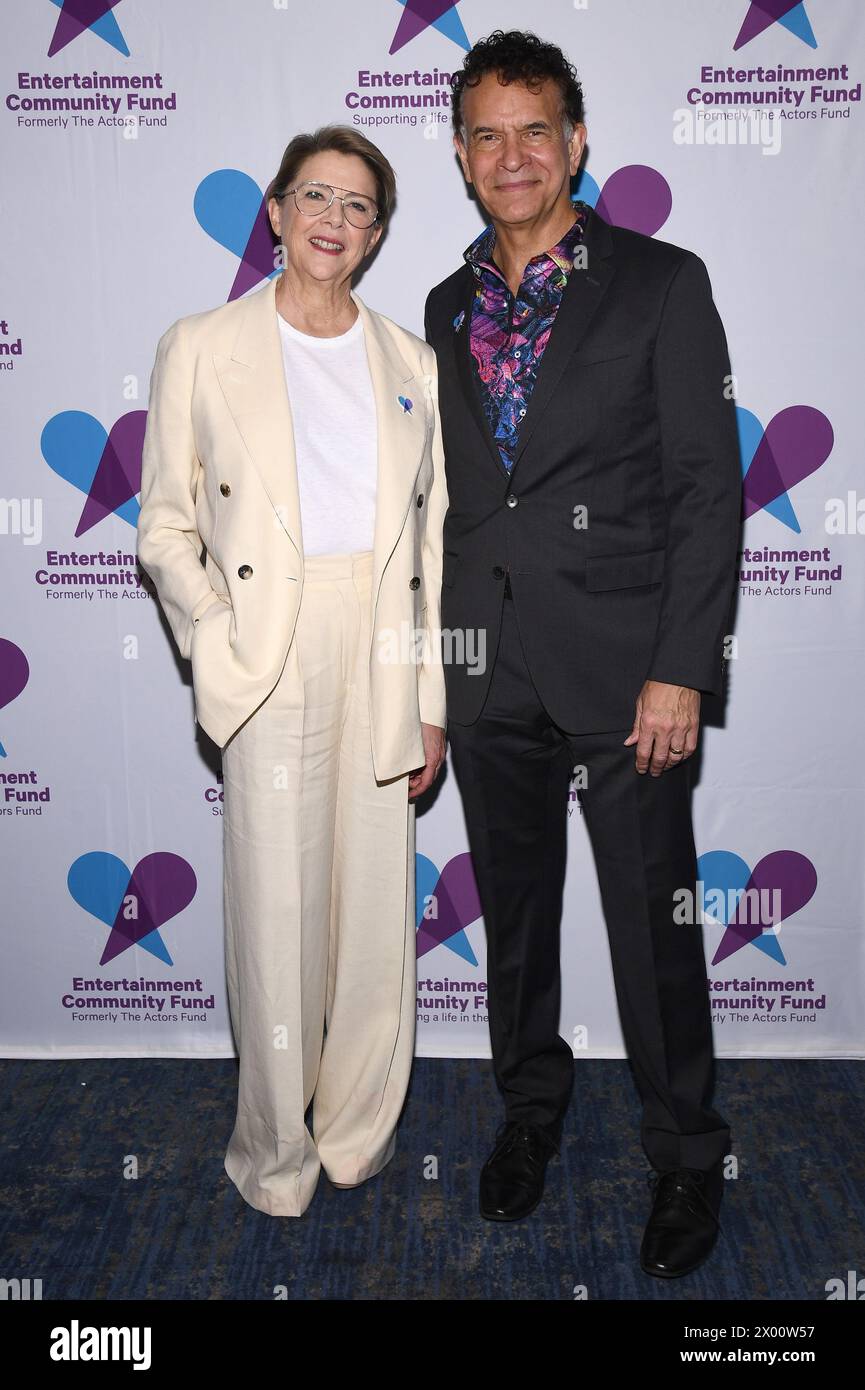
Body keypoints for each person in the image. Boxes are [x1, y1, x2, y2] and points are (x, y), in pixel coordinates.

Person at [423, 31, 741, 1277]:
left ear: (577, 141)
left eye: (535, 130)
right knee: (515, 922)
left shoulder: (662, 282)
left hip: (627, 672)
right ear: (460, 153)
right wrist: (436, 680)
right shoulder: (446, 306)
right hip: (487, 667)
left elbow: (706, 491)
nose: (513, 156)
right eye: (487, 135)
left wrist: (680, 667)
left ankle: (684, 1156)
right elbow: (448, 511)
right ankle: (529, 1116)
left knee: (654, 928)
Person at [137, 125, 448, 1217]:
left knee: (372, 912)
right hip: (266, 644)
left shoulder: (411, 360)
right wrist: (219, 629)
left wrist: (427, 697)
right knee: (275, 914)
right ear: (274, 212)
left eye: (358, 206)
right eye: (315, 196)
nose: (334, 219)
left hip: (377, 638)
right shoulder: (200, 344)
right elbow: (165, 526)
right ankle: (275, 1156)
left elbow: (432, 552)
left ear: (374, 233)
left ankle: (357, 1129)